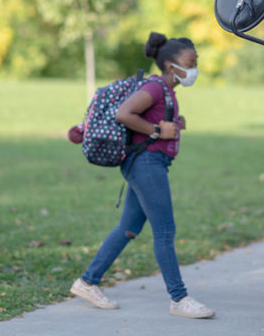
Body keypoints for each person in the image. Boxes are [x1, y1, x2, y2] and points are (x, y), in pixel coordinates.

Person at [70, 32, 215, 319]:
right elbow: (124, 114)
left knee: (128, 227)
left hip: (151, 164)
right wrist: (158, 131)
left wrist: (173, 124)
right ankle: (179, 298)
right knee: (164, 231)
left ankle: (87, 282)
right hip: (146, 165)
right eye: (191, 62)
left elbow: (151, 119)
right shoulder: (155, 87)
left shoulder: (166, 91)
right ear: (172, 66)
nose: (195, 68)